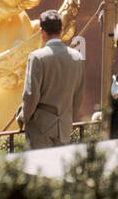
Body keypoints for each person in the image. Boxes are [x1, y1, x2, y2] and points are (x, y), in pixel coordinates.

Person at [19, 9, 86, 149]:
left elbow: (31, 94)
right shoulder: (77, 57)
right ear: (61, 30)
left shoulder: (37, 57)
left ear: (42, 31)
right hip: (64, 129)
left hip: (40, 128)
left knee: (39, 168)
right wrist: (67, 119)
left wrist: (23, 117)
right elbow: (78, 95)